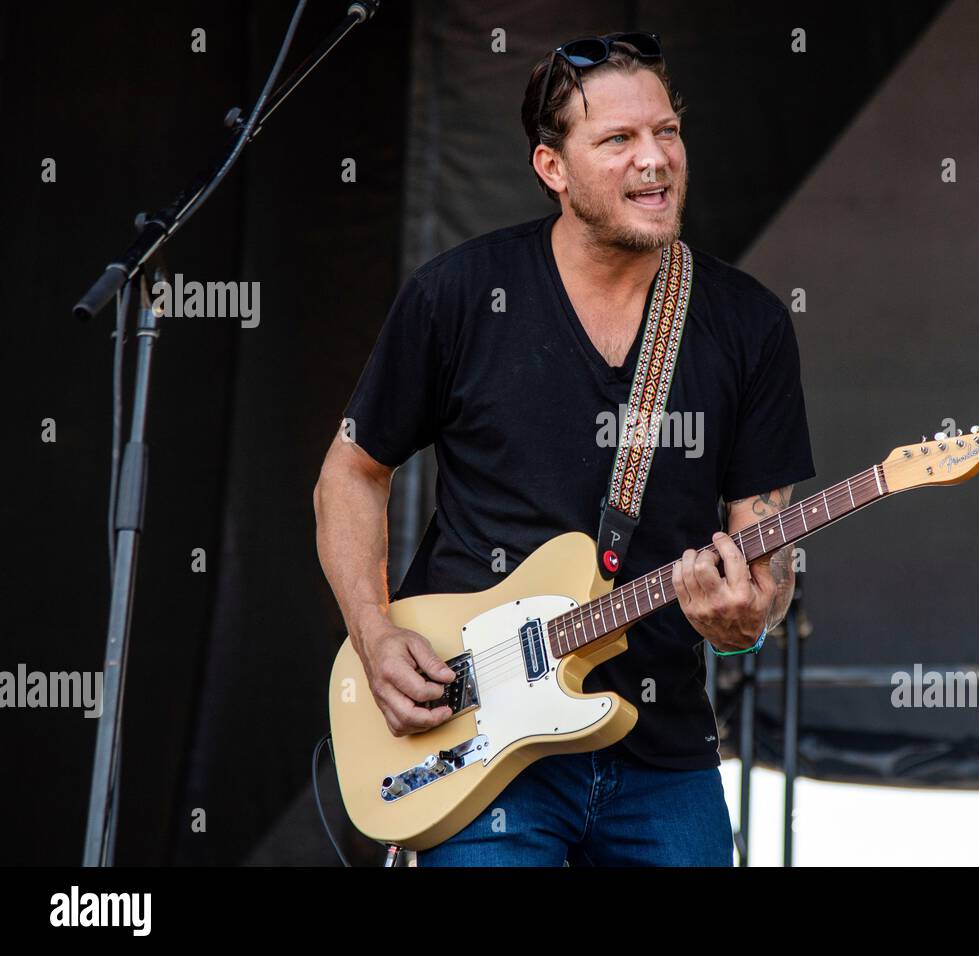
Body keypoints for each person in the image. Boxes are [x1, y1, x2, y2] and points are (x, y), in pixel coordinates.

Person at [313, 32, 815, 866]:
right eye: (618, 140)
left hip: (662, 751)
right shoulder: (460, 295)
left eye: (667, 132)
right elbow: (350, 475)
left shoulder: (747, 322)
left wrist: (750, 619)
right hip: (476, 742)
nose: (654, 161)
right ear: (552, 167)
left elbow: (768, 550)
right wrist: (371, 631)